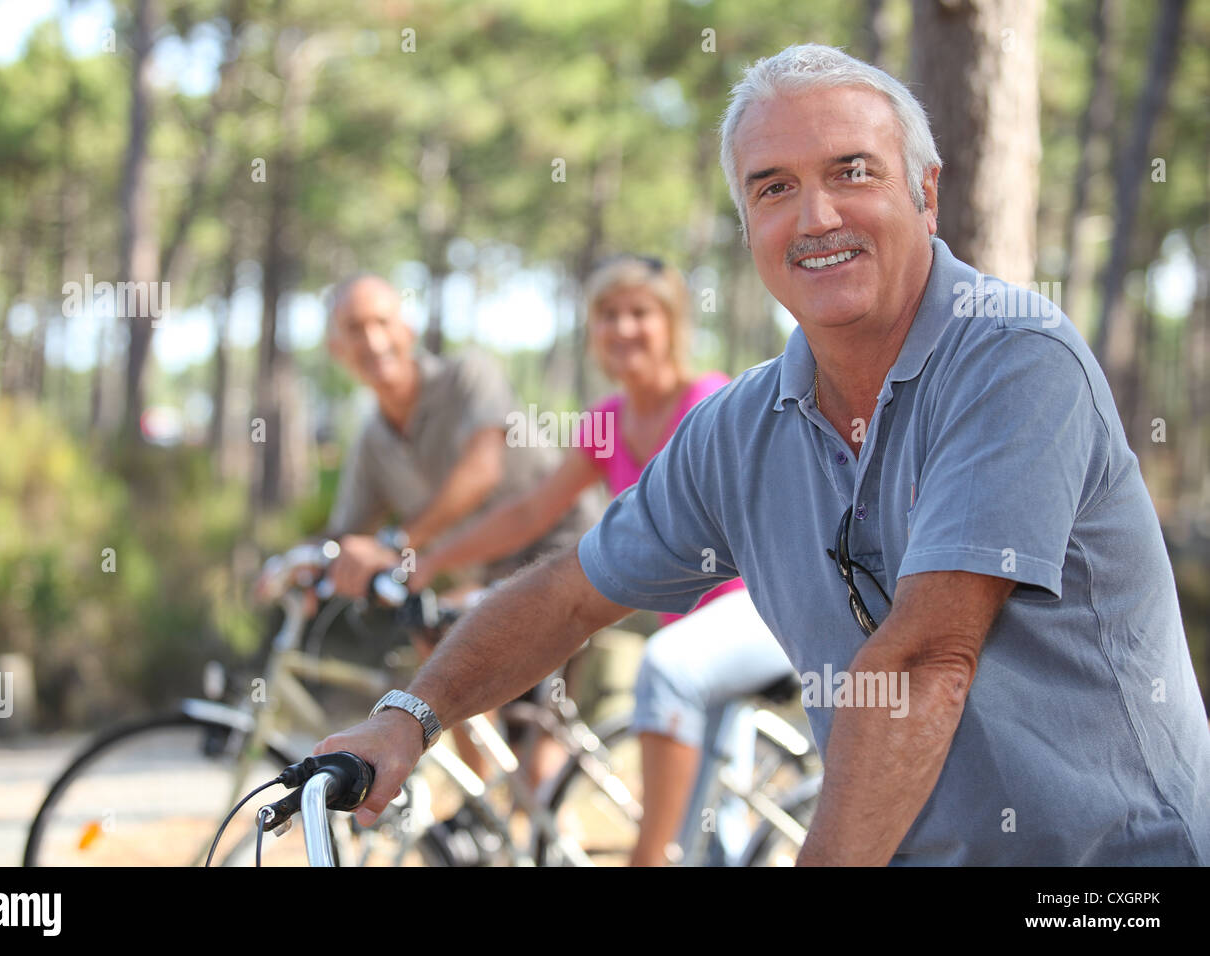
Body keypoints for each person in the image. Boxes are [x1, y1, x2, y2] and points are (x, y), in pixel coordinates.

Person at [314, 45, 1210, 865]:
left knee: (671, 668)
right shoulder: (730, 425)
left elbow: (922, 664)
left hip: (1118, 879)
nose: (816, 216)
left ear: (926, 193)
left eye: (852, 172)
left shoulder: (1013, 356)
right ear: (747, 225)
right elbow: (570, 589)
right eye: (773, 188)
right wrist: (407, 718)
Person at [405, 255, 794, 865]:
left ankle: (646, 861)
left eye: (640, 313)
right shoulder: (608, 421)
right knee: (716, 841)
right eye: (608, 316)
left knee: (664, 671)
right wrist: (426, 559)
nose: (623, 328)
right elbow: (530, 514)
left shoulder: (707, 400)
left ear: (672, 325)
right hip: (697, 637)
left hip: (766, 608)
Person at [312, 274, 597, 782]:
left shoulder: (469, 374)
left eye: (382, 322)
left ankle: (537, 820)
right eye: (356, 329)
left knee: (536, 738)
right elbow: (345, 536)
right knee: (435, 644)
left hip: (565, 547)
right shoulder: (372, 441)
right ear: (337, 349)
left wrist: (398, 544)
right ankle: (486, 807)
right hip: (490, 573)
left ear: (408, 327)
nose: (373, 340)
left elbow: (480, 471)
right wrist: (307, 567)